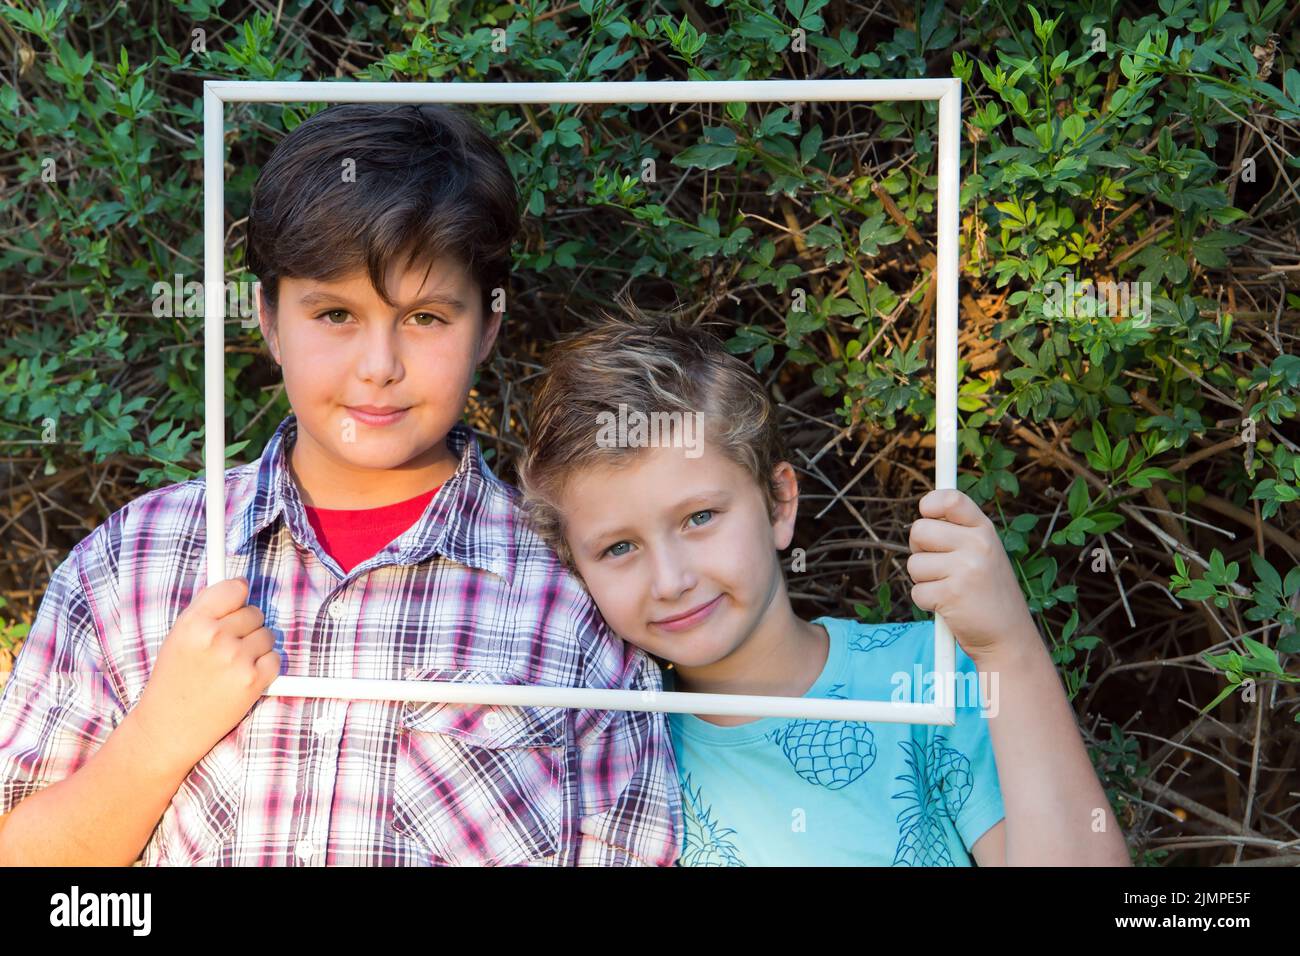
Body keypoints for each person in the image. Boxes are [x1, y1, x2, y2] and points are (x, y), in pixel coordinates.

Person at [0, 104, 679, 866]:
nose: (378, 366)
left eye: (424, 318)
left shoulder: (574, 588)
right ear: (268, 318)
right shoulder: (129, 566)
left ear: (488, 325)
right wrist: (158, 737)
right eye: (334, 314)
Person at [516, 303, 1132, 866]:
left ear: (779, 503)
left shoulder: (928, 678)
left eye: (699, 517)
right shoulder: (606, 742)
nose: (672, 581)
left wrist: (1008, 650)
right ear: (574, 565)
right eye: (619, 548)